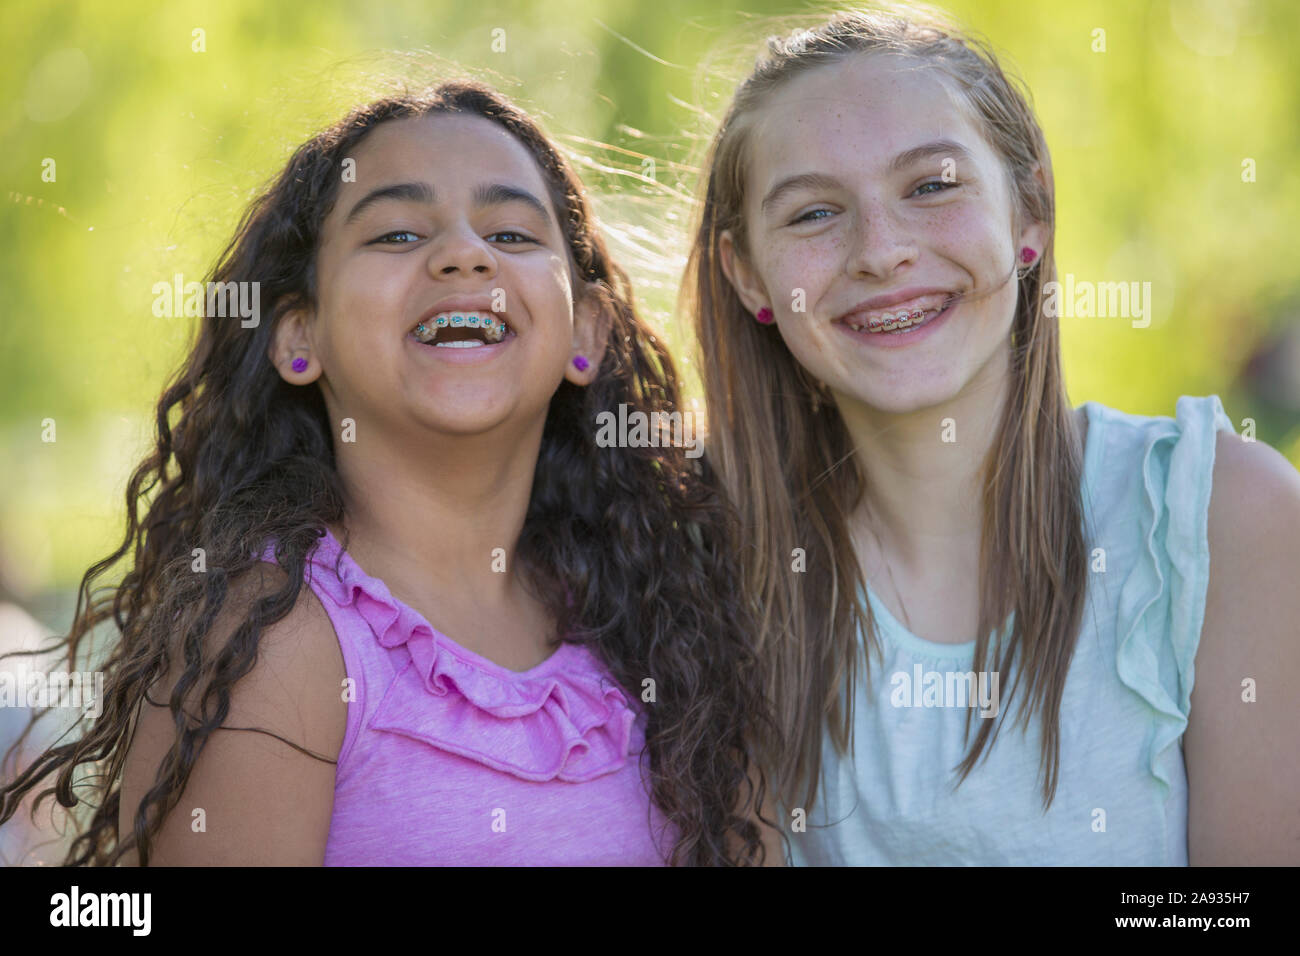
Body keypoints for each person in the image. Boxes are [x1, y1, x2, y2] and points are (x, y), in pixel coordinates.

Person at [0, 81, 781, 866]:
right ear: (297, 337)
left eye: (511, 233)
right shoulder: (280, 644)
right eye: (398, 234)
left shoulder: (660, 622)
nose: (464, 253)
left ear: (586, 331)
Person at [683, 4, 1300, 864]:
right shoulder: (708, 556)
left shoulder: (1221, 519)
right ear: (746, 272)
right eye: (813, 215)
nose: (881, 251)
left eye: (931, 186)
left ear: (1029, 212)